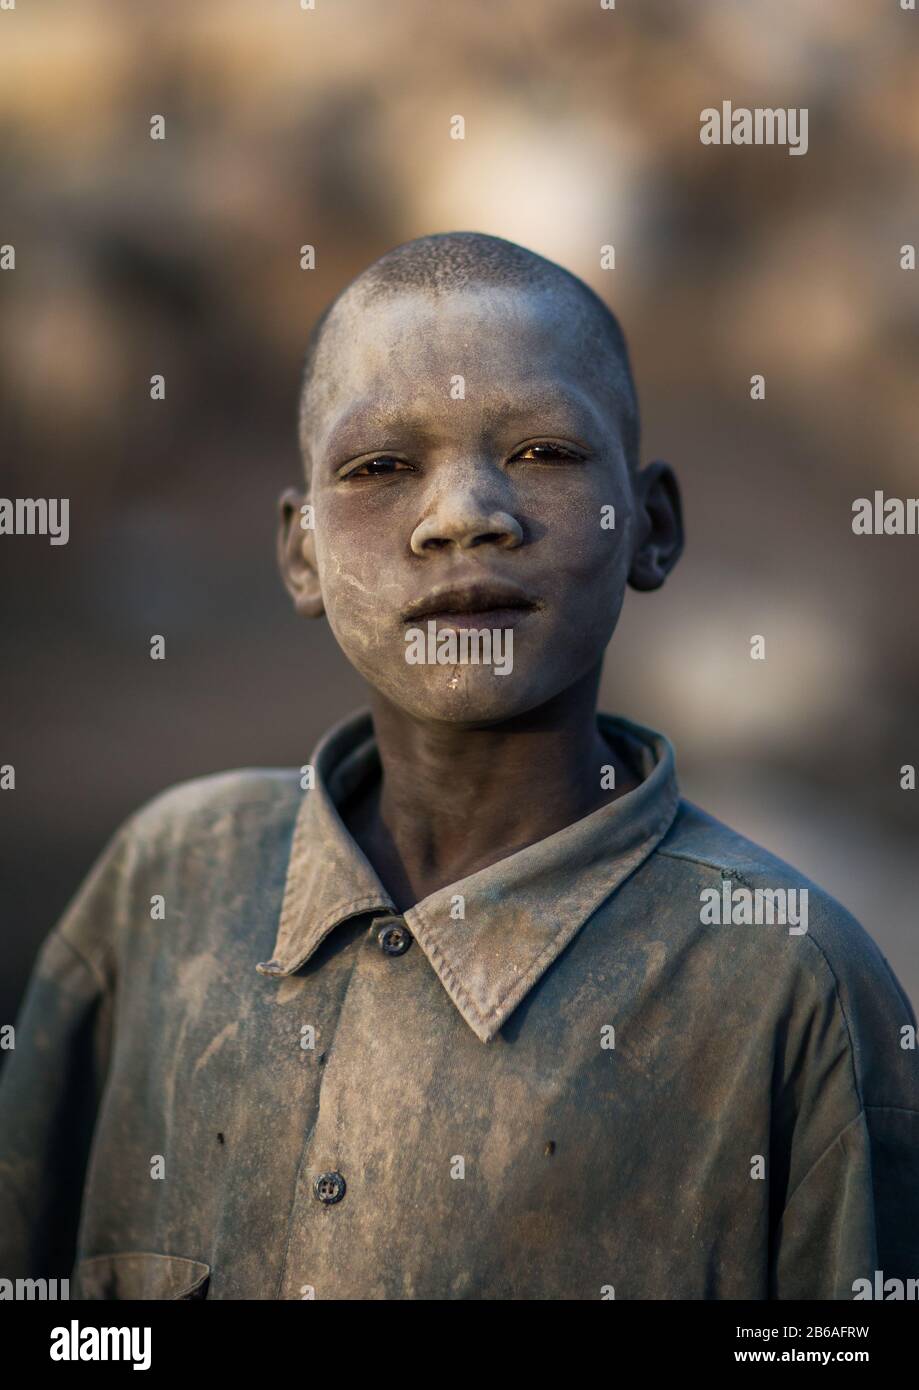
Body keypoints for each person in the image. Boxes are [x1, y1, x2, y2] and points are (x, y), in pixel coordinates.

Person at [1, 232, 916, 1300]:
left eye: (543, 454)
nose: (464, 515)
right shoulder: (165, 882)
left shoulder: (787, 984)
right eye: (381, 468)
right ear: (301, 554)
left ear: (651, 529)